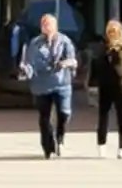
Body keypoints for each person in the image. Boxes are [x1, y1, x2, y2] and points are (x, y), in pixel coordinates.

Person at [21, 13, 78, 159]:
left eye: (49, 24)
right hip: (42, 84)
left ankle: (60, 139)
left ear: (55, 26)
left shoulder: (65, 41)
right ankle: (48, 147)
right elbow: (30, 64)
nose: (46, 27)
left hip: (62, 83)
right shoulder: (35, 43)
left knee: (64, 113)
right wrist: (25, 70)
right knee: (44, 117)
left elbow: (73, 60)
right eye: (44, 24)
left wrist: (65, 63)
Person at [91, 19, 122, 158]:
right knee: (103, 116)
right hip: (105, 85)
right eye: (110, 32)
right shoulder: (102, 47)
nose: (113, 35)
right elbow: (96, 65)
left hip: (121, 86)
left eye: (115, 32)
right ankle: (102, 144)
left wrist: (119, 52)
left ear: (120, 32)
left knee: (121, 117)